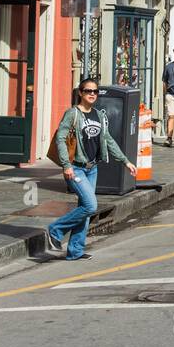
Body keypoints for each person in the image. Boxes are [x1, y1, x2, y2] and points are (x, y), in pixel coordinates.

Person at [45, 78, 137, 260]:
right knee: (90, 205)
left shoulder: (100, 115)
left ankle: (75, 251)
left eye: (95, 91)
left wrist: (125, 161)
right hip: (76, 168)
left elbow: (108, 140)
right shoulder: (73, 114)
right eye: (88, 91)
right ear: (80, 93)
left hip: (92, 168)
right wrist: (66, 165)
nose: (92, 94)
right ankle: (54, 230)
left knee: (84, 211)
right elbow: (61, 139)